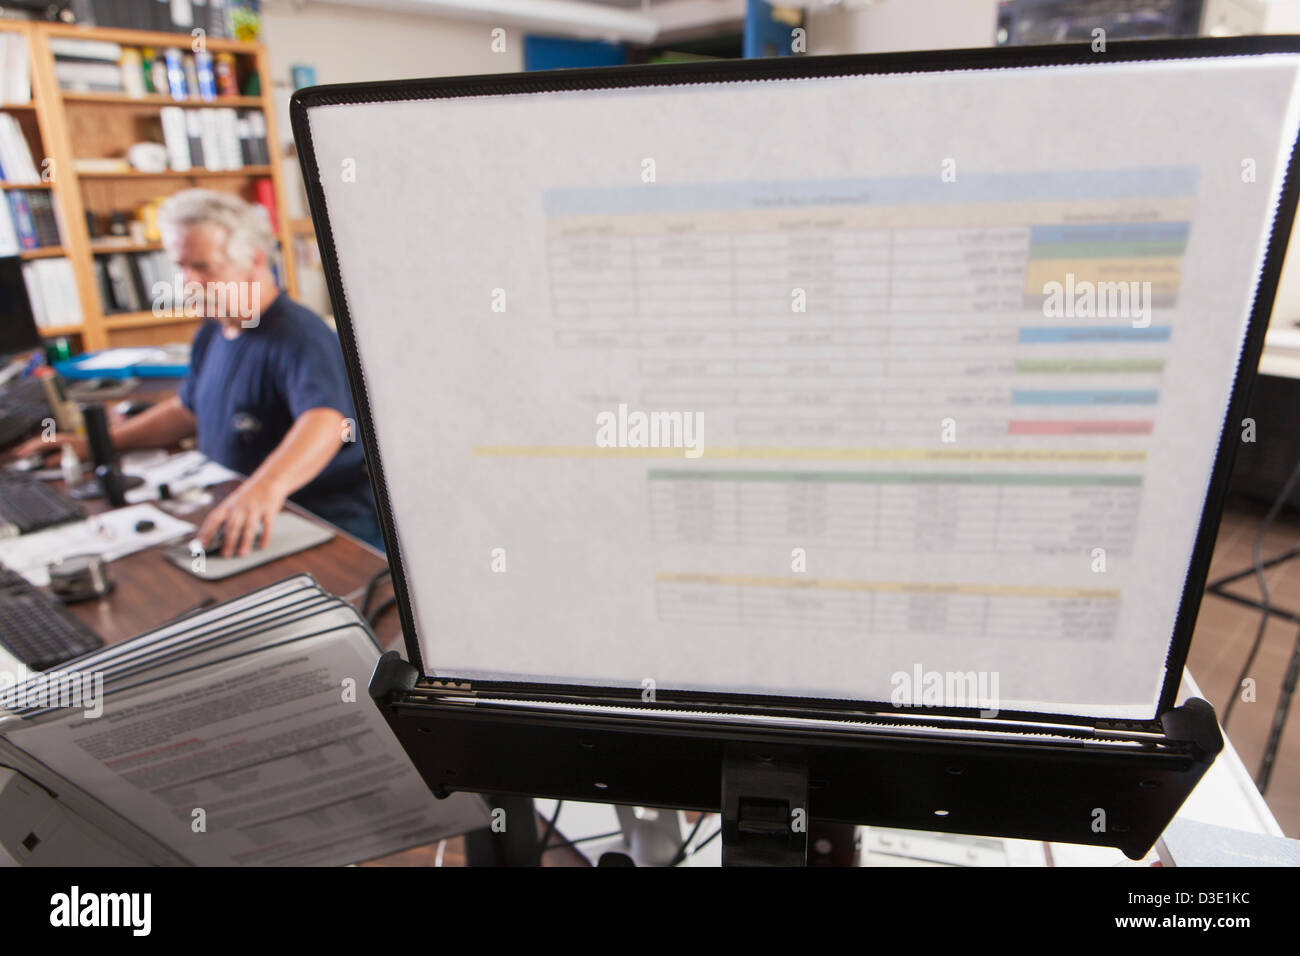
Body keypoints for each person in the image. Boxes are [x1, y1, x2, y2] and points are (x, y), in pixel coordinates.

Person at [17, 189, 384, 556]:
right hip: (231, 503)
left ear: (253, 261)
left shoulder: (301, 337)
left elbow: (326, 421)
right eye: (181, 266)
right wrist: (97, 444)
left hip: (316, 518)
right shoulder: (214, 329)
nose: (188, 282)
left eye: (203, 267)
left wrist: (264, 488)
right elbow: (187, 410)